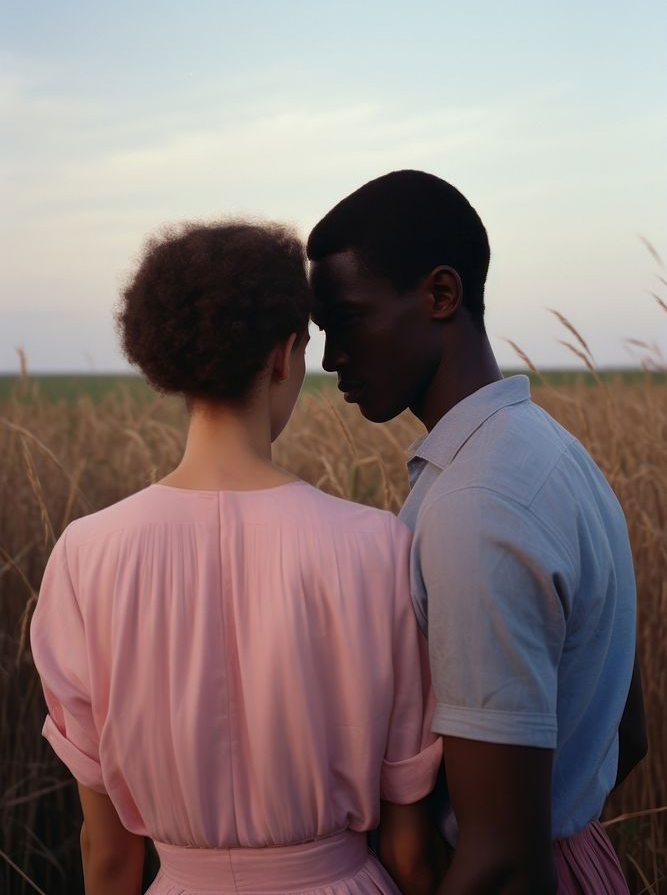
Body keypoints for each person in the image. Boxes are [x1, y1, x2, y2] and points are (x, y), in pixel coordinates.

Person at [30, 219, 446, 895]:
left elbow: (107, 856)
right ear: (283, 355)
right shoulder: (378, 545)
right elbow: (410, 847)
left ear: (168, 362)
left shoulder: (85, 554)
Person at [307, 170, 647, 895]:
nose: (331, 357)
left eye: (348, 320)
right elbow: (628, 732)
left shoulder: (479, 503)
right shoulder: (552, 454)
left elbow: (501, 860)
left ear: (440, 295)